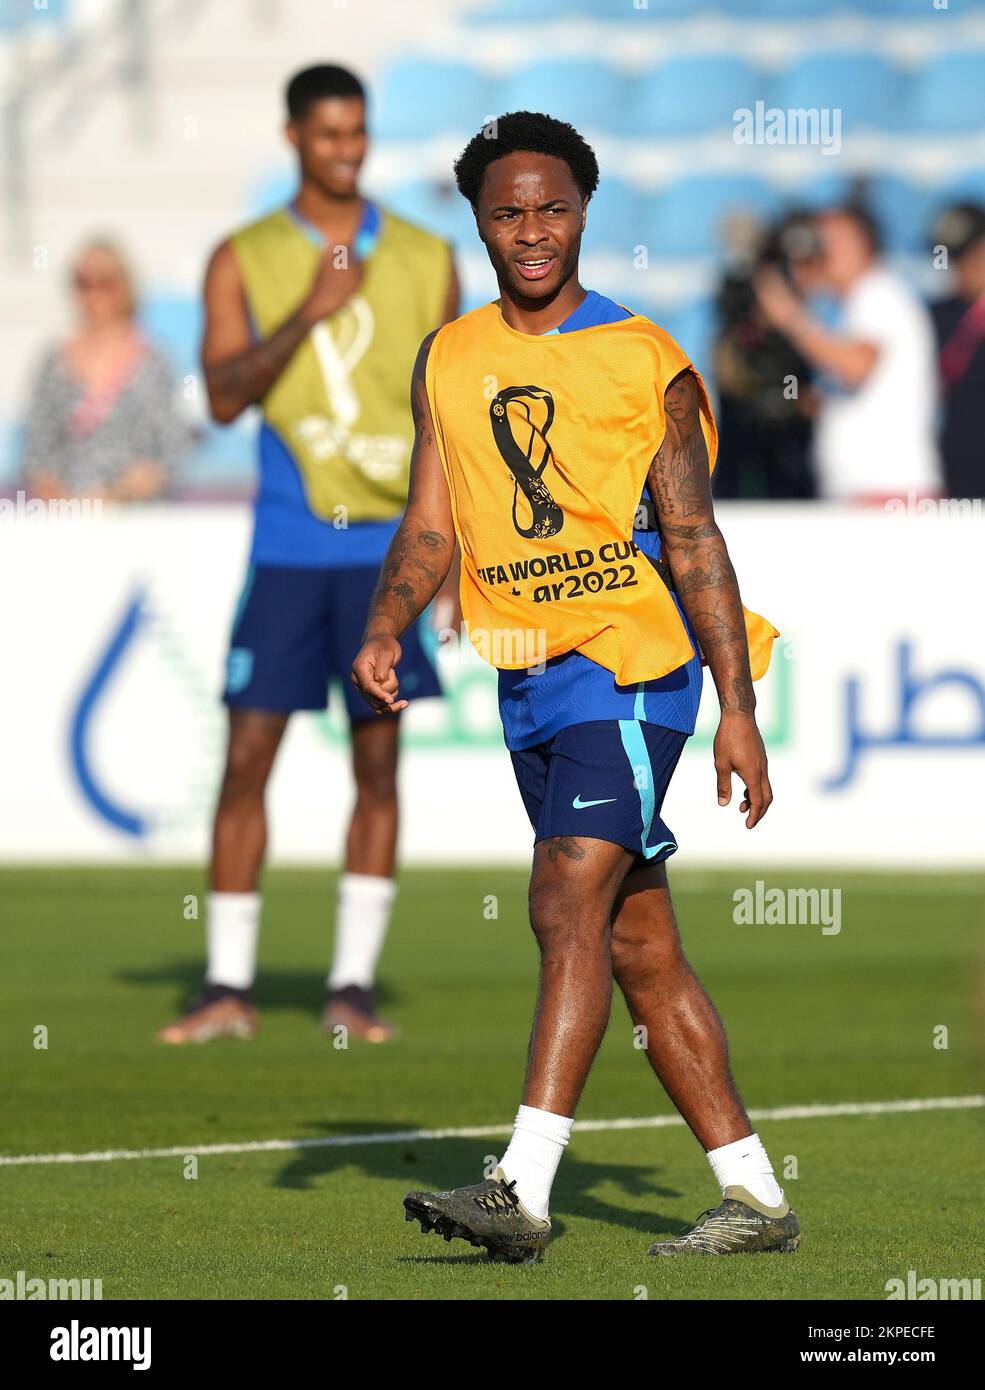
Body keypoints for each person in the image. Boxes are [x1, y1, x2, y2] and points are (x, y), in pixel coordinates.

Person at [352, 111, 797, 1263]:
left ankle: (522, 1188)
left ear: (585, 210)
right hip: (527, 678)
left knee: (561, 902)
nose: (532, 231)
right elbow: (430, 520)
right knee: (634, 943)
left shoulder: (645, 358)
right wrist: (387, 623)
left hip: (636, 669)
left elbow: (694, 541)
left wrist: (737, 711)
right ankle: (754, 1197)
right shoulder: (447, 356)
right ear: (481, 222)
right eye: (508, 212)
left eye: (552, 207)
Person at [158, 64, 459, 1046]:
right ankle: (226, 985)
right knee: (247, 757)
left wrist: (451, 563)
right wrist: (308, 314)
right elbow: (223, 397)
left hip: (386, 555)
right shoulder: (243, 256)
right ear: (294, 135)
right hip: (288, 547)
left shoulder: (424, 255)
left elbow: (451, 421)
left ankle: (352, 986)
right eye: (330, 133)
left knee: (378, 766)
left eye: (359, 132)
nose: (348, 149)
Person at [755, 204, 940, 503]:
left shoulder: (879, 292)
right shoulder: (852, 307)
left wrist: (789, 316)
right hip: (866, 493)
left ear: (865, 243)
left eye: (835, 239)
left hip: (888, 494)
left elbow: (856, 366)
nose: (823, 250)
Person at [21, 239, 185, 502]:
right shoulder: (53, 363)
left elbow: (168, 449)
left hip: (135, 517)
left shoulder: (152, 363)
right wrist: (62, 501)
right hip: (65, 517)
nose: (94, 293)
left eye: (105, 282)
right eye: (83, 282)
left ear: (125, 285)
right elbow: (37, 449)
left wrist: (119, 495)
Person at [928, 202, 985, 500]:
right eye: (950, 258)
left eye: (965, 256)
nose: (957, 269)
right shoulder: (936, 316)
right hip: (954, 481)